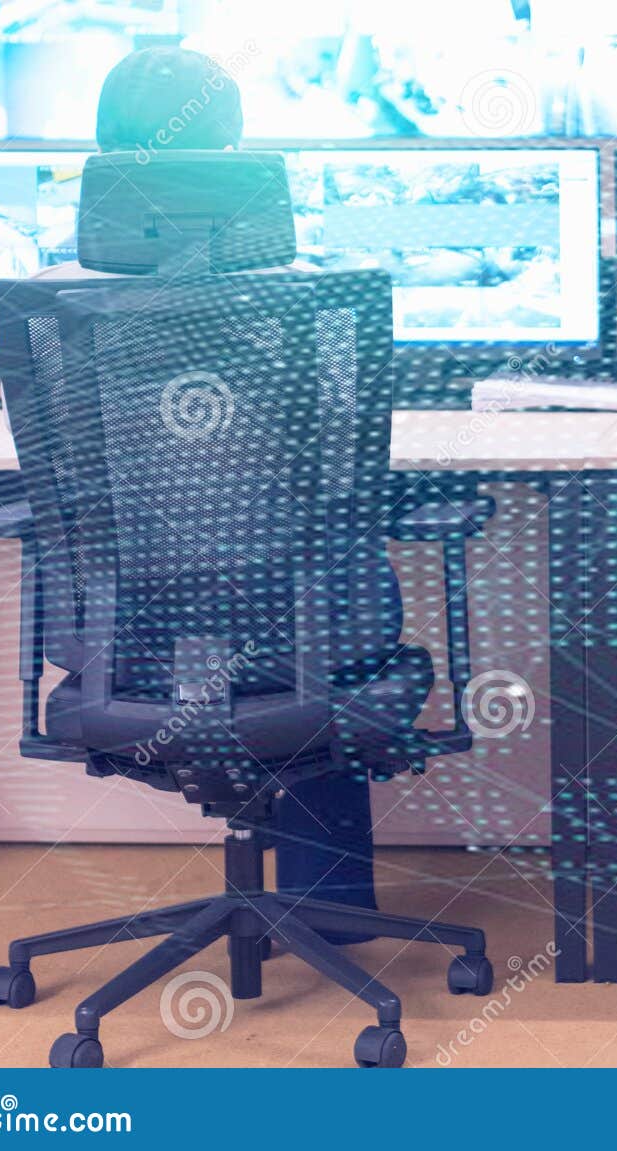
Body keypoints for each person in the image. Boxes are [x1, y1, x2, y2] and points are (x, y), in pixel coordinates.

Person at [39, 47, 395, 936]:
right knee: (327, 580)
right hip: (306, 643)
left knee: (310, 585)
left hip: (128, 653)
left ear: (99, 150)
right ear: (240, 148)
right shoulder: (314, 305)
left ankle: (316, 904)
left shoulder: (54, 306)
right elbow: (345, 454)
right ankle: (331, 909)